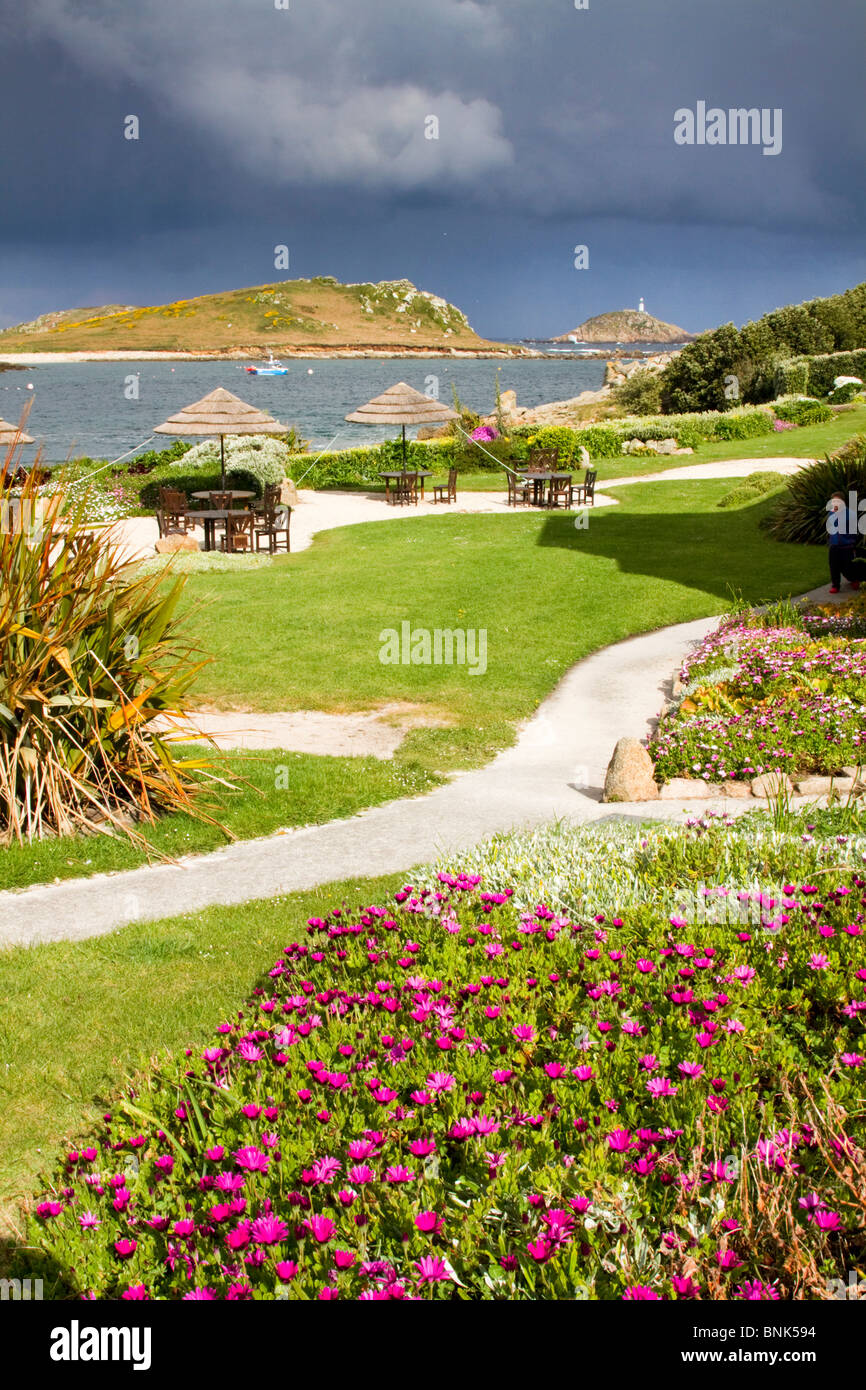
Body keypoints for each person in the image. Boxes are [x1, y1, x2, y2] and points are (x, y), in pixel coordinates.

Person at [827, 492, 866, 593]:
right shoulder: (831, 513)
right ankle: (835, 585)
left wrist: (850, 543)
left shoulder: (850, 514)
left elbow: (853, 531)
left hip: (846, 545)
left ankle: (854, 579)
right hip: (834, 545)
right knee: (834, 566)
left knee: (847, 567)